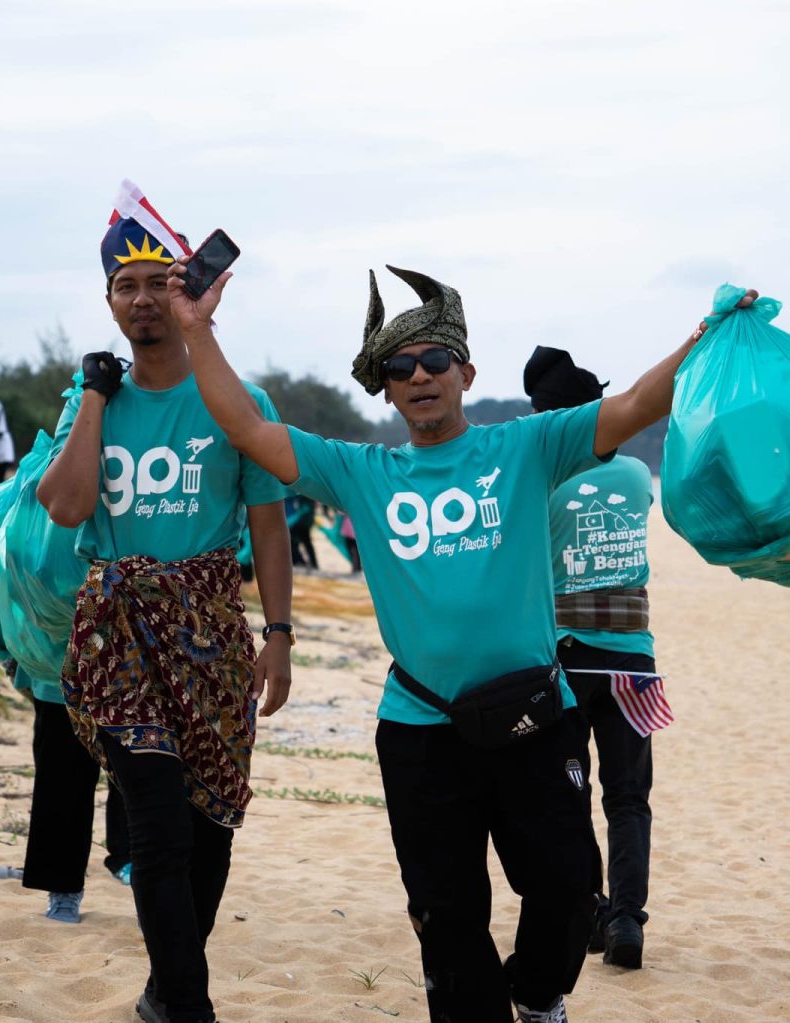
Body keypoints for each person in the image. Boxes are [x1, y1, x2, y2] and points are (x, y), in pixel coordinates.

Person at [173, 255, 755, 1023]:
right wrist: (196, 327)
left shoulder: (529, 447)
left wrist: (706, 336)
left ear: (466, 371)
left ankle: (541, 994)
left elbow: (641, 401)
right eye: (403, 366)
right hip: (421, 730)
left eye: (435, 359)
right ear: (386, 386)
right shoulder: (359, 471)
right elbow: (246, 427)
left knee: (566, 887)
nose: (421, 375)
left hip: (532, 720)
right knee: (447, 919)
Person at [36, 182, 293, 1023]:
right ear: (108, 299)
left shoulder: (235, 402)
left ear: (182, 292)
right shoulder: (94, 402)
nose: (142, 299)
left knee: (210, 817)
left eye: (157, 282)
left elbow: (268, 525)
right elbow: (68, 506)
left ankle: (165, 985)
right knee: (153, 812)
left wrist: (279, 635)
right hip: (116, 633)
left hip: (212, 631)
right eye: (125, 285)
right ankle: (187, 1002)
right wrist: (97, 400)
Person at [527, 346, 667, 971]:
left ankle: (587, 907)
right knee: (628, 796)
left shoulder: (540, 479)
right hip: (631, 664)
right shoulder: (637, 476)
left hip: (564, 662)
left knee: (569, 793)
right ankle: (626, 921)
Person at [10, 659, 132, 923]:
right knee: (62, 781)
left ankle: (132, 863)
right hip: (58, 669)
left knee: (140, 779)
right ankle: (62, 887)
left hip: (137, 672)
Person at [287, 494, 319, 569]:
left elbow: (306, 509)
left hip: (302, 523)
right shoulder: (307, 496)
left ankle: (302, 562)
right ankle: (308, 563)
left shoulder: (306, 496)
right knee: (304, 543)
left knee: (296, 543)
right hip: (303, 523)